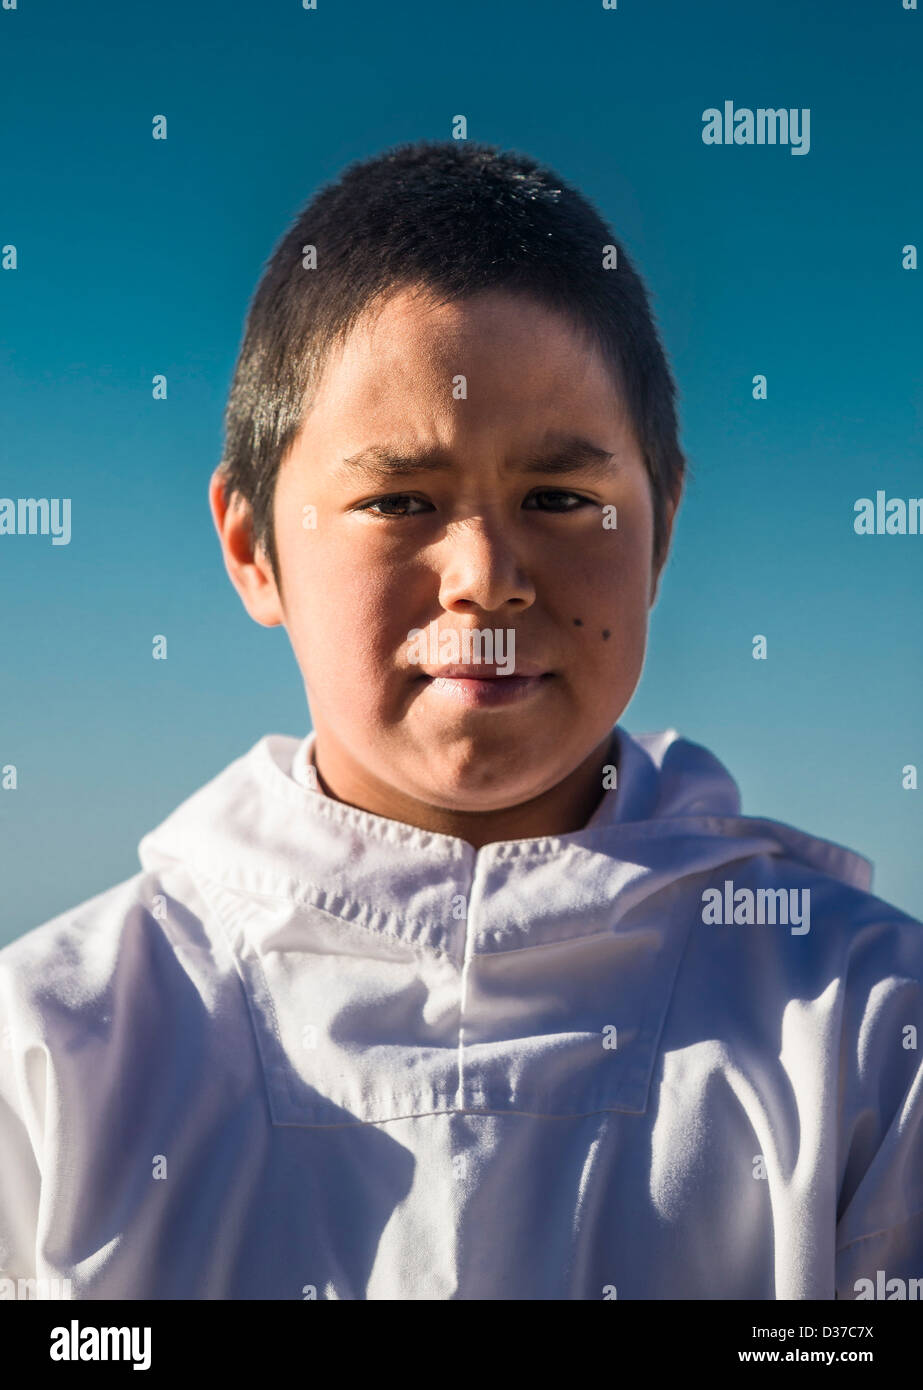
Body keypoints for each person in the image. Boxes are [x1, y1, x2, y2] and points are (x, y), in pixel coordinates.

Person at [1, 140, 921, 1301]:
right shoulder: (52, 1052)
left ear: (660, 527)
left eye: (559, 498)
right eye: (398, 500)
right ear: (252, 546)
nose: (485, 577)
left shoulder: (865, 1029)